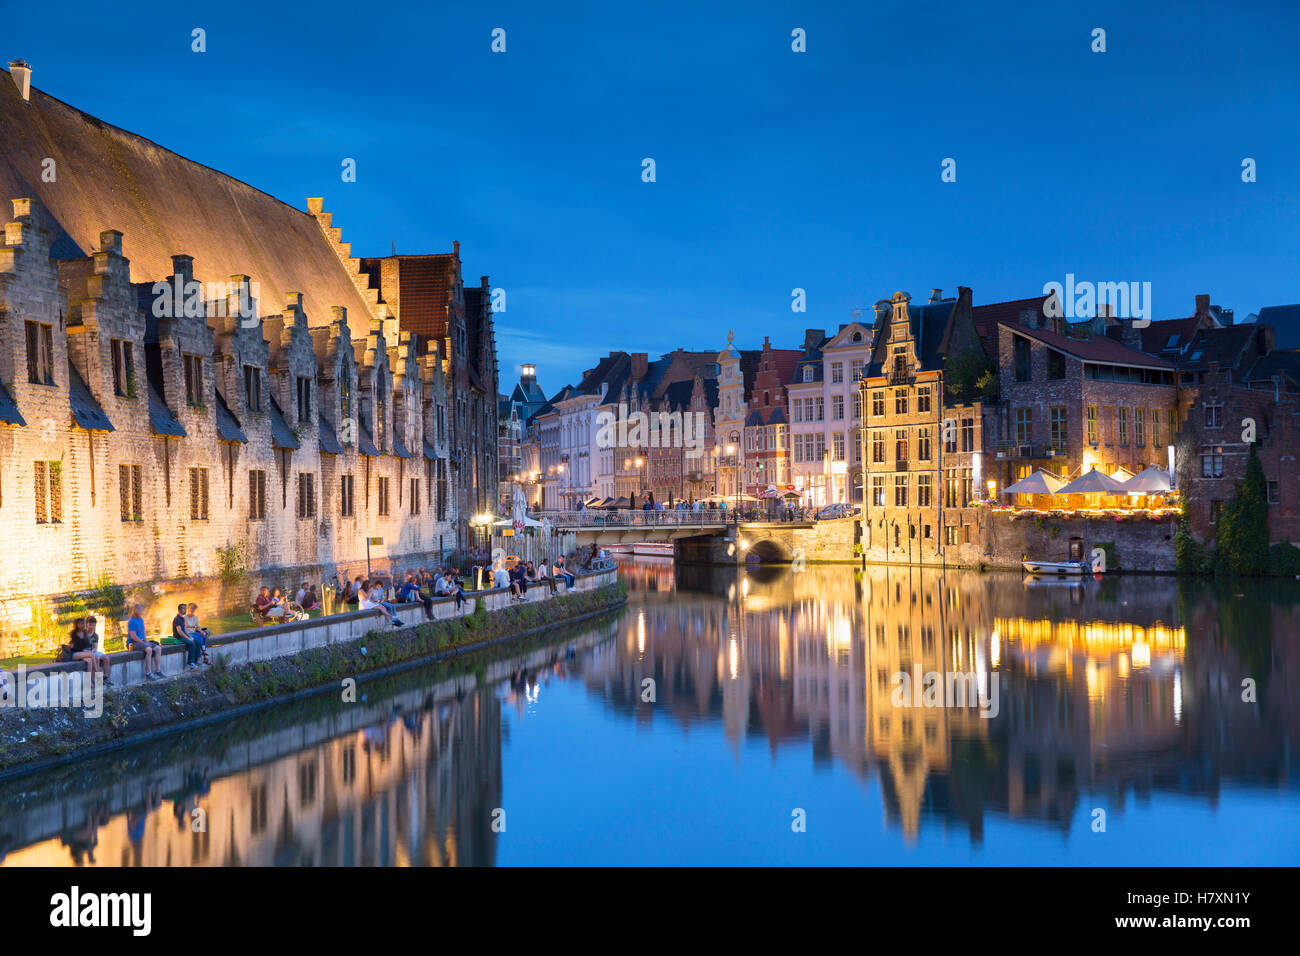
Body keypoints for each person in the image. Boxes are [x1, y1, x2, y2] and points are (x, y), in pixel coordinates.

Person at [69, 617, 112, 685]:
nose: (82, 625)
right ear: (77, 625)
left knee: (90, 661)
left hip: (85, 652)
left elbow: (89, 646)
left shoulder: (87, 634)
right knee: (93, 656)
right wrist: (84, 650)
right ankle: (98, 675)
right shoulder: (75, 633)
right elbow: (74, 645)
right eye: (80, 624)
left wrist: (86, 650)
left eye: (83, 624)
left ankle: (90, 681)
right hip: (77, 653)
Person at [127, 604, 163, 679]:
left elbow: (143, 632)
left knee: (158, 648)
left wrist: (146, 641)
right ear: (135, 611)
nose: (141, 611)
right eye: (139, 610)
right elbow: (133, 636)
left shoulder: (141, 619)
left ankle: (158, 670)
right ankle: (148, 673)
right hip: (133, 643)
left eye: (141, 610)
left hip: (141, 641)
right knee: (149, 650)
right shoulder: (131, 621)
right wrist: (144, 643)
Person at [171, 603, 202, 669]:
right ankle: (190, 662)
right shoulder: (177, 619)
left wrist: (190, 637)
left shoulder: (182, 618)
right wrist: (188, 638)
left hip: (183, 636)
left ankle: (196, 660)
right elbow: (179, 632)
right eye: (183, 608)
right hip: (178, 637)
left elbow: (184, 631)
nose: (185, 610)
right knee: (192, 643)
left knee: (197, 642)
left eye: (185, 608)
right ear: (179, 610)